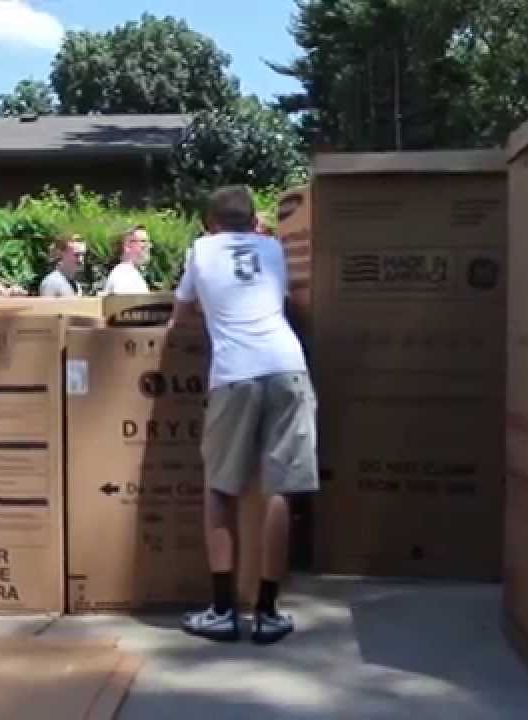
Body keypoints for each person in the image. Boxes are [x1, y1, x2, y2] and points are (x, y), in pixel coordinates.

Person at [172, 185, 317, 645]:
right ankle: (269, 611)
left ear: (210, 222)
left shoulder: (200, 251)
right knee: (280, 488)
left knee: (219, 485)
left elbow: (180, 318)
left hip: (234, 373)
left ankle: (222, 609)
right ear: (254, 220)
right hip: (288, 366)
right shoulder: (273, 249)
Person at [99, 225, 151, 295]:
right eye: (143, 241)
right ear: (127, 246)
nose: (149, 246)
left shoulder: (128, 272)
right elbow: (127, 304)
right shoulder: (124, 275)